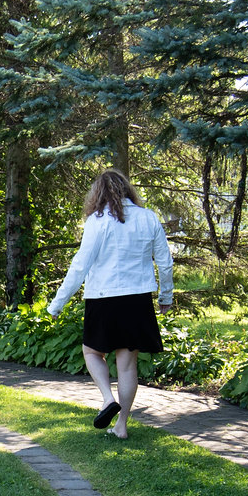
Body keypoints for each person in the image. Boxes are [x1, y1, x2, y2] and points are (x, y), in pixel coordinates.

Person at [47, 169, 173, 438]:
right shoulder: (149, 218)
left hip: (103, 298)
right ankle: (122, 425)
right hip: (137, 300)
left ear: (98, 194)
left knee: (92, 352)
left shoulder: (98, 220)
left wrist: (57, 304)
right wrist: (166, 297)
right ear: (128, 190)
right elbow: (164, 261)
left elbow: (80, 264)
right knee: (127, 365)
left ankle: (107, 399)